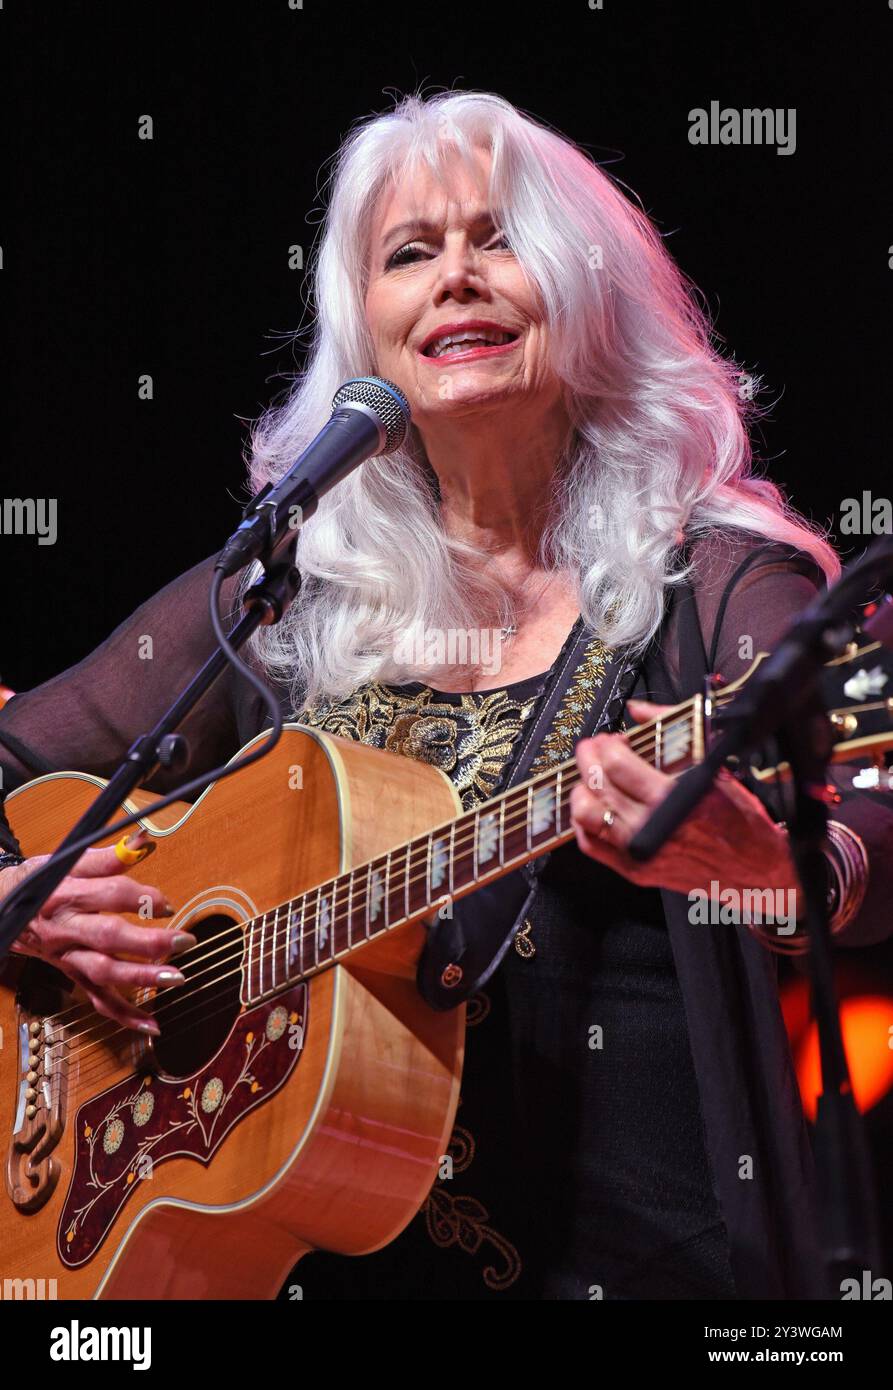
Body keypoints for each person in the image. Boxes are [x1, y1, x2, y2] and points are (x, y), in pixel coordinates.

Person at [1, 90, 890, 1300]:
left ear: (585, 292)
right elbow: (21, 761)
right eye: (408, 256)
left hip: (646, 1262)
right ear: (364, 329)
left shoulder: (716, 583)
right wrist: (22, 901)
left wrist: (769, 867)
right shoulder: (285, 600)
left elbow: (867, 834)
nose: (453, 279)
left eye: (499, 238)